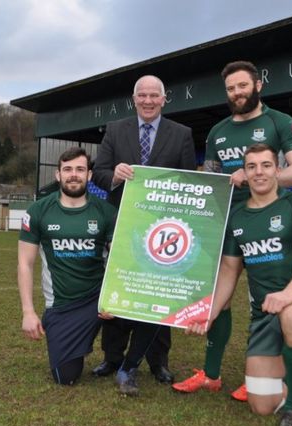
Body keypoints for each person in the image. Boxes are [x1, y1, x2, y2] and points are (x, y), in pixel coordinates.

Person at [173, 60, 292, 401]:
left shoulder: (280, 122)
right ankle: (211, 374)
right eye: (231, 89)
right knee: (216, 297)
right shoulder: (218, 131)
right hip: (224, 221)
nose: (237, 93)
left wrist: (255, 176)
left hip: (268, 222)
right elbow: (211, 177)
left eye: (242, 86)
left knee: (267, 300)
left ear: (258, 85)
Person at [187, 144, 292, 426]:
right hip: (263, 315)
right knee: (261, 405)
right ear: (245, 171)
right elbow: (230, 272)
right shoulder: (238, 217)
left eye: (266, 165)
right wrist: (209, 312)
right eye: (252, 166)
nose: (259, 172)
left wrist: (289, 294)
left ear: (278, 169)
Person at [91, 74, 197, 386]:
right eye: (142, 95)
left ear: (164, 99)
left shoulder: (182, 134)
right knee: (118, 290)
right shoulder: (115, 129)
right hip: (122, 225)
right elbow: (98, 173)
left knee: (157, 293)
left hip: (162, 231)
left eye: (154, 95)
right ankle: (112, 357)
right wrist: (115, 175)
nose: (148, 101)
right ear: (134, 99)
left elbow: (190, 182)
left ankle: (158, 361)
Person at [18, 147, 117, 386]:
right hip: (62, 305)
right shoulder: (38, 211)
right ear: (58, 175)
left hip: (98, 297)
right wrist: (28, 312)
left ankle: (122, 360)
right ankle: (79, 342)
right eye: (68, 169)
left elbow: (119, 261)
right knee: (65, 377)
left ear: (89, 175)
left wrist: (117, 301)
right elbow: (25, 262)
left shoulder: (106, 211)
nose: (74, 175)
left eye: (80, 169)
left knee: (139, 312)